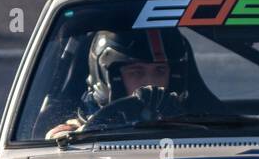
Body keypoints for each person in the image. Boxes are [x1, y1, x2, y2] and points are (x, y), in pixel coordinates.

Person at [46, 28, 192, 139]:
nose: (150, 82)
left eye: (160, 71)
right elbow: (56, 144)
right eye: (136, 72)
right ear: (108, 78)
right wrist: (84, 134)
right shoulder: (74, 131)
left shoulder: (204, 125)